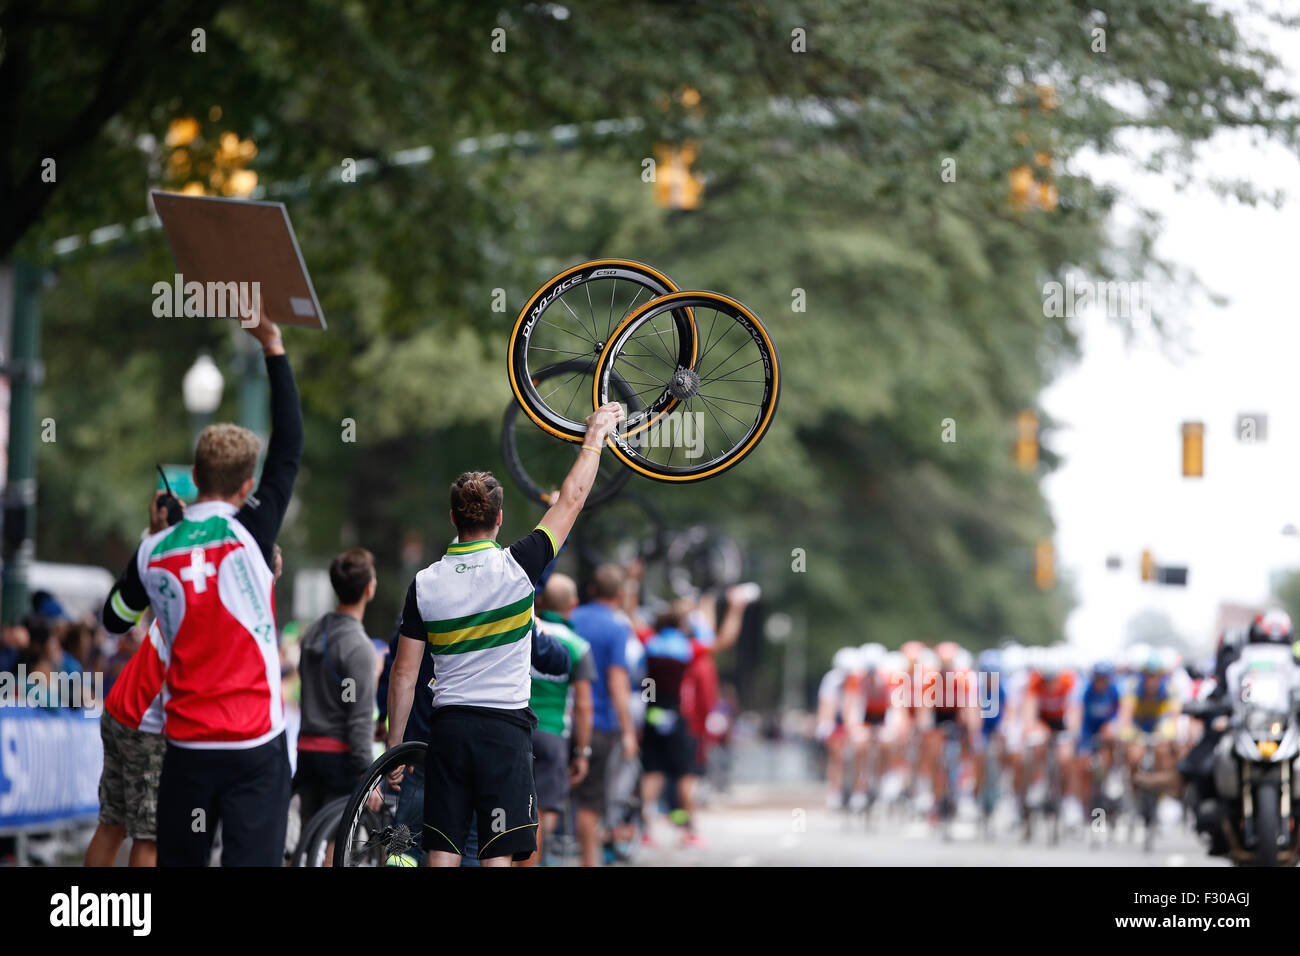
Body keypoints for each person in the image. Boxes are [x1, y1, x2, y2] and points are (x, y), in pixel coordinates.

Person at [385, 401, 623, 867]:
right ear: (498, 519)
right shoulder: (517, 569)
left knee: (442, 852)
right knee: (498, 854)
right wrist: (594, 435)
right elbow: (571, 499)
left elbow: (403, 674)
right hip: (505, 730)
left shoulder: (425, 583)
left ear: (453, 519)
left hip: (447, 728)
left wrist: (395, 749)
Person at [101, 312, 301, 866]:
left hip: (188, 747)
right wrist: (274, 347)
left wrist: (157, 534)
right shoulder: (251, 530)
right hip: (253, 742)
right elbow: (289, 447)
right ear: (245, 486)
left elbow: (115, 619)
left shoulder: (153, 549)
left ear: (194, 473)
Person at [85, 492, 177, 867]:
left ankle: (88, 912)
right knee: (150, 836)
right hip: (146, 722)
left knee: (113, 825)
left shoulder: (183, 589)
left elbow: (151, 566)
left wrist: (155, 532)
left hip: (122, 708)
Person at [639, 587, 752, 846]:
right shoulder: (687, 648)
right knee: (685, 775)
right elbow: (723, 640)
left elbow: (631, 618)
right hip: (678, 717)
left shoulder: (650, 641)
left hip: (653, 714)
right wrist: (736, 608)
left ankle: (645, 831)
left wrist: (633, 584)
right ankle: (688, 830)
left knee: (652, 773)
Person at [294, 548, 379, 826]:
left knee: (308, 841)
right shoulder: (359, 647)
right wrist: (370, 774)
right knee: (334, 843)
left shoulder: (312, 633)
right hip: (339, 758)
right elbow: (359, 719)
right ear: (369, 588)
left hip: (306, 751)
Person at [520, 573, 594, 866]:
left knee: (512, 812)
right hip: (552, 735)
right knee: (540, 818)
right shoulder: (578, 645)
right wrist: (583, 751)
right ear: (572, 605)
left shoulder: (525, 629)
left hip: (517, 728)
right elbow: (584, 705)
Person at [569, 562, 640, 866]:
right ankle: (588, 861)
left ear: (591, 590)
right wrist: (628, 730)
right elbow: (617, 681)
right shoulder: (616, 627)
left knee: (547, 799)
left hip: (561, 718)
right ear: (620, 594)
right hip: (599, 725)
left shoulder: (570, 617)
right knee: (589, 803)